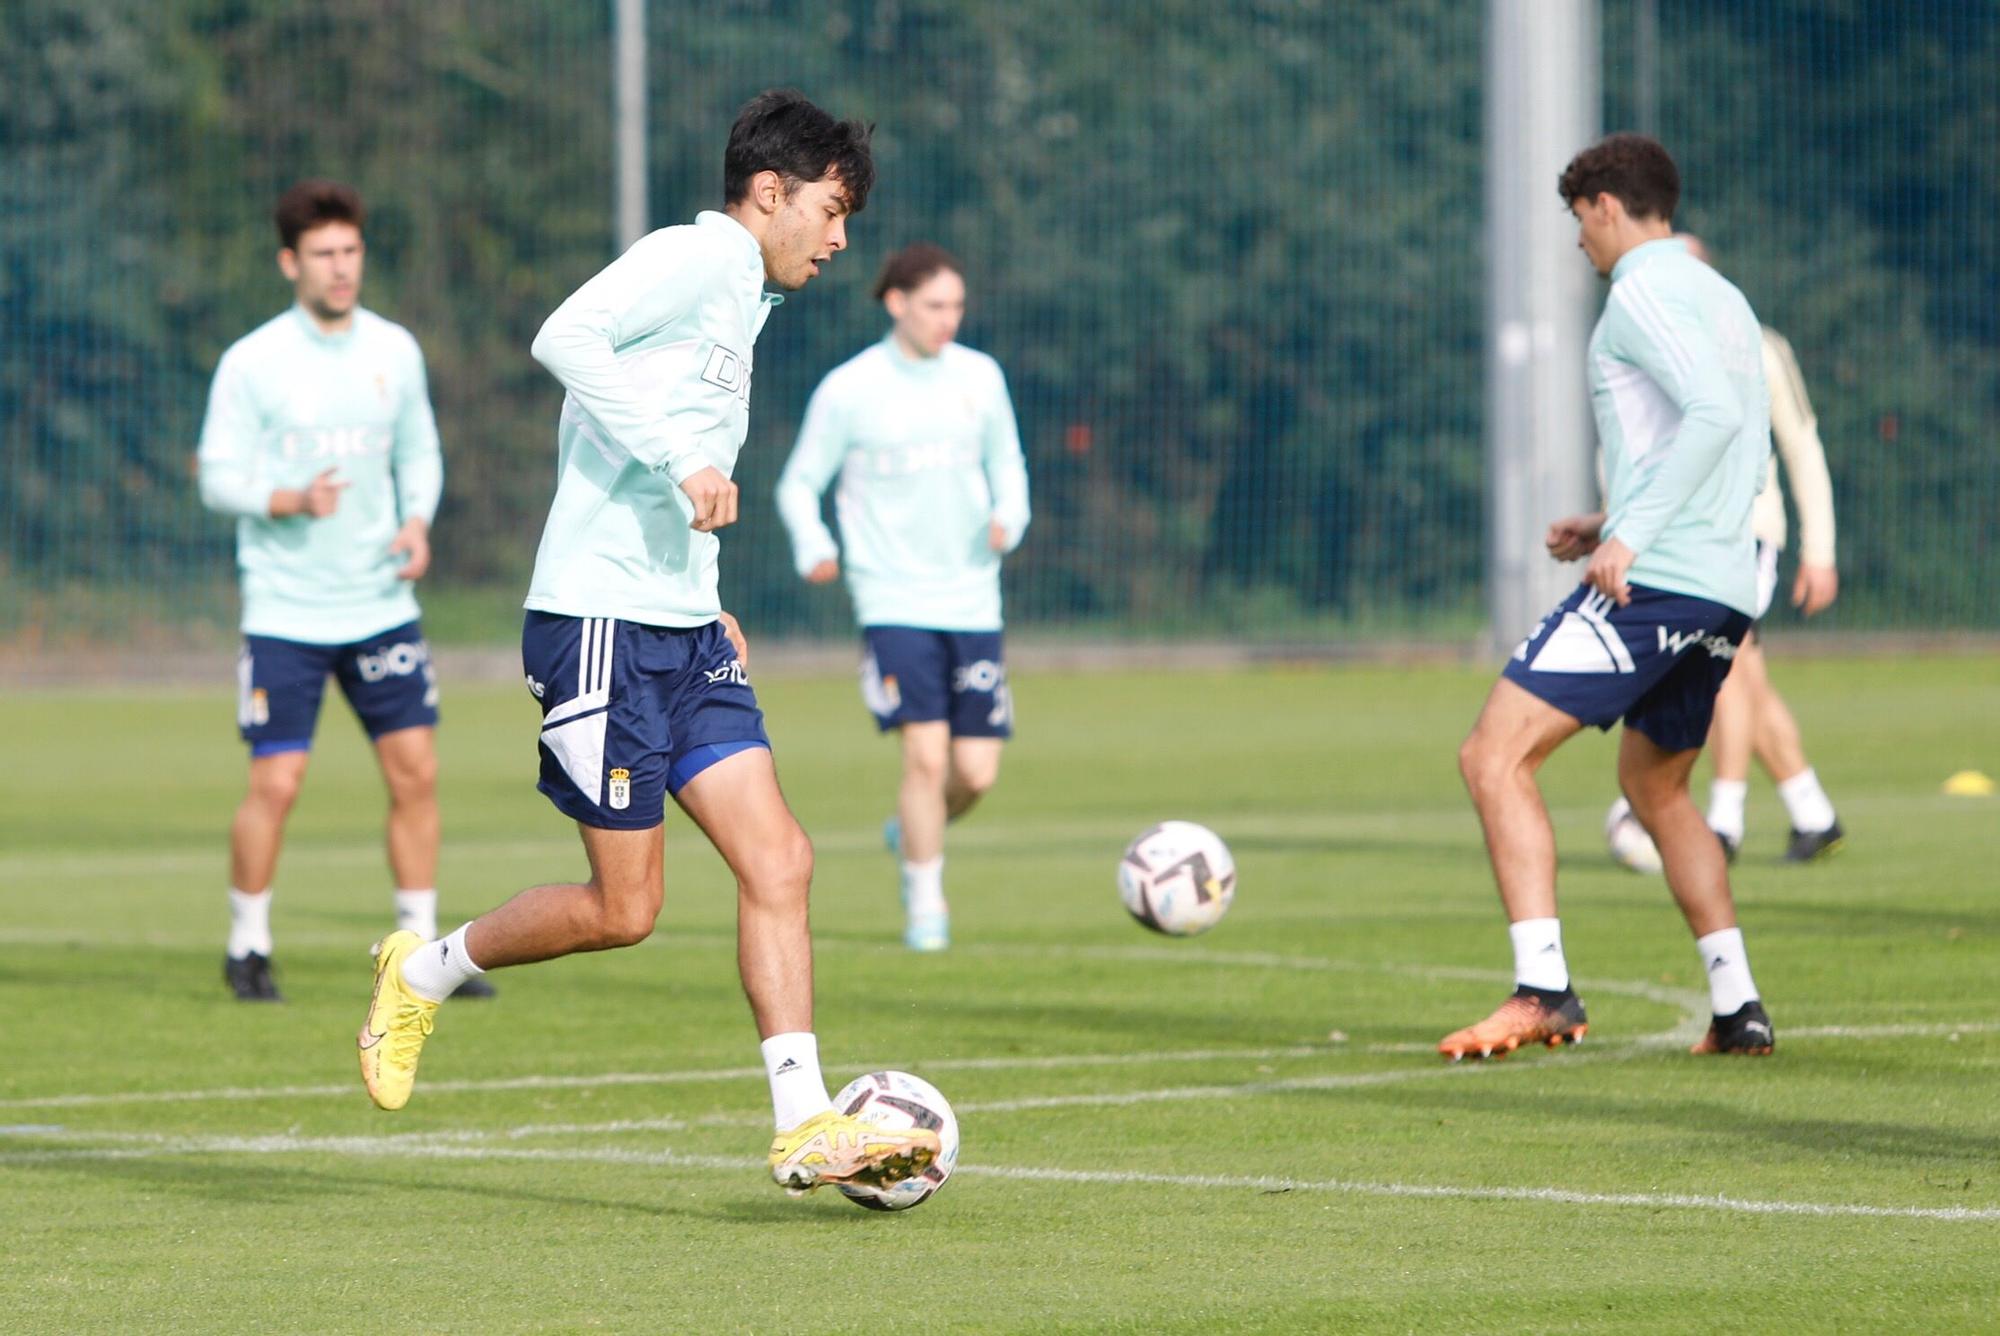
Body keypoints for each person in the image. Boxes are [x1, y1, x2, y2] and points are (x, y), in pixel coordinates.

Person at [353, 90, 938, 1198]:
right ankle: (420, 968)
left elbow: (692, 471)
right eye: (828, 207)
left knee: (782, 859)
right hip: (597, 624)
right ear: (768, 194)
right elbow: (562, 335)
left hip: (681, 627)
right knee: (624, 910)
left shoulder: (745, 302)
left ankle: (801, 1121)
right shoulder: (694, 257)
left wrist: (704, 588)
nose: (840, 236)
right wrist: (678, 461)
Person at [1445, 133, 1775, 1061]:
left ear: (1603, 205)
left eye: (1578, 222)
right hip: (1719, 581)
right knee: (1657, 787)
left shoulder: (1642, 291)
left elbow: (1709, 413)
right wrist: (1611, 517)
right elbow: (1735, 439)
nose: (1579, 244)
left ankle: (1542, 988)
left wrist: (1630, 538)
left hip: (1659, 578)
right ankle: (1738, 1006)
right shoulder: (1724, 297)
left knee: (1492, 756)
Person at [197, 180, 488, 1003]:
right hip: (286, 613)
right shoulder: (252, 362)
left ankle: (422, 954)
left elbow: (420, 453)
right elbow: (218, 476)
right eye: (323, 254)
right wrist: (286, 498)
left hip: (380, 606)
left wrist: (418, 523)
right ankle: (247, 946)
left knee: (415, 774)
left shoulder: (394, 350)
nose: (340, 267)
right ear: (290, 262)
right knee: (277, 785)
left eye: (350, 251)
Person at [776, 243, 1030, 951]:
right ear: (897, 304)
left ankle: (910, 831)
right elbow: (799, 483)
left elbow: (1008, 460)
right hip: (891, 599)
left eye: (957, 306)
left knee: (973, 772)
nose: (949, 319)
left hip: (973, 599)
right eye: (935, 306)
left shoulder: (981, 377)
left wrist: (1013, 512)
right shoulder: (850, 389)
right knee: (924, 758)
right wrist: (815, 546)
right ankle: (926, 907)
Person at [1681, 238, 1844, 861]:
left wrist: (1820, 551)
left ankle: (1723, 823)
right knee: (1742, 673)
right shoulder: (1645, 342)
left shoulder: (1757, 343)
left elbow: (1802, 446)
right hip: (1677, 540)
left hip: (1743, 533)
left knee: (1723, 666)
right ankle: (1812, 811)